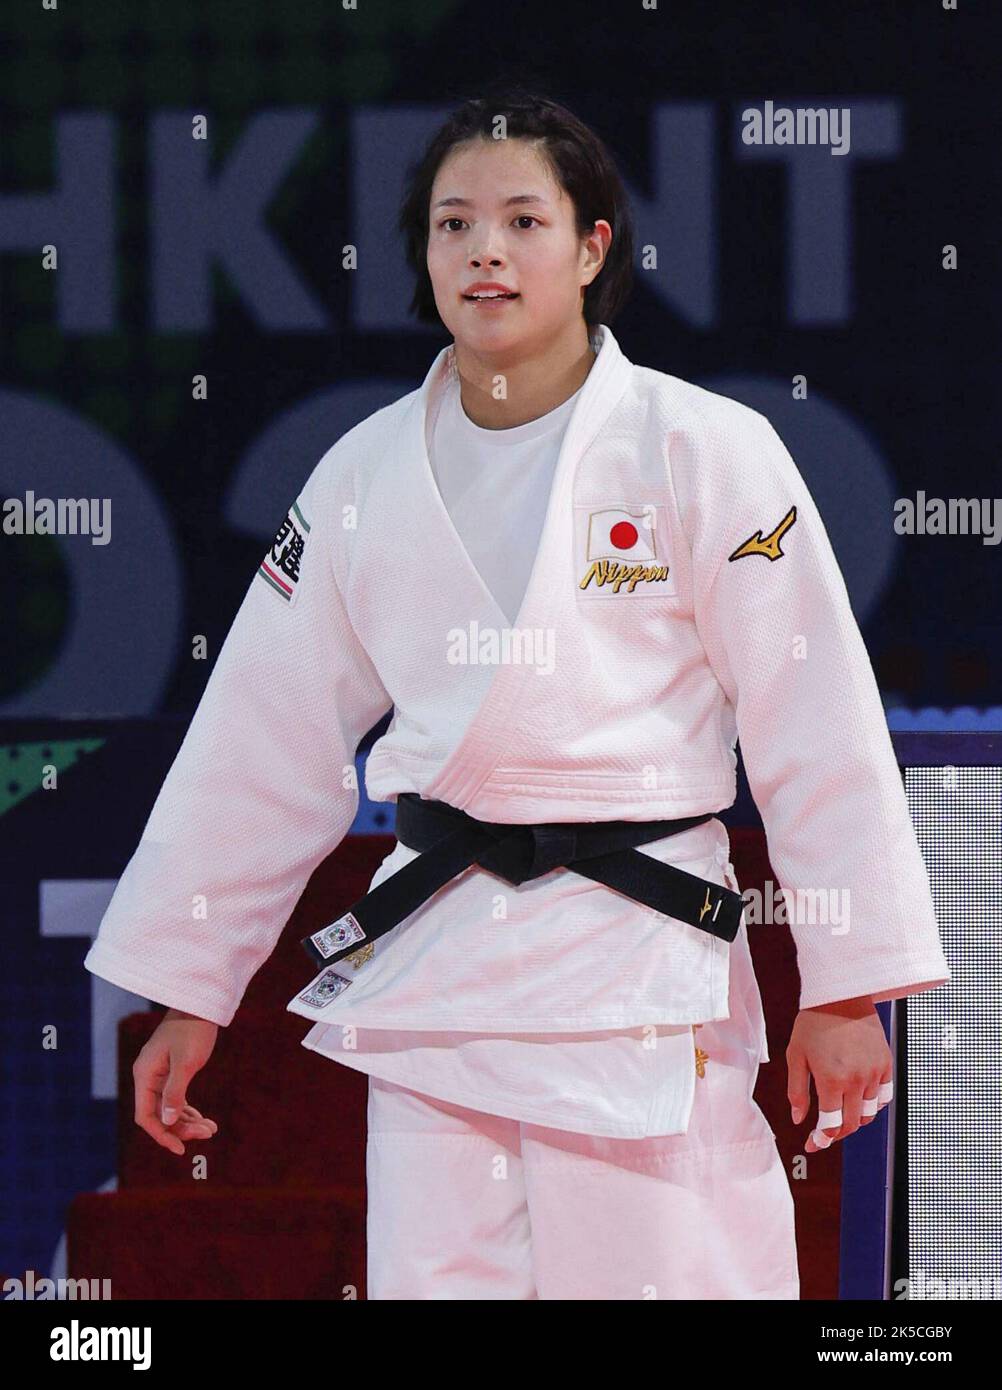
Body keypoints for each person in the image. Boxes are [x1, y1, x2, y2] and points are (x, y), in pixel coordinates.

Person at [84, 86, 951, 1300]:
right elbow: (260, 736)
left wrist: (848, 985)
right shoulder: (363, 472)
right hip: (442, 969)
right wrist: (187, 986)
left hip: (640, 964)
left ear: (593, 248)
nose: (483, 249)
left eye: (522, 220)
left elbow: (817, 724)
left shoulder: (703, 446)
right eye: (452, 225)